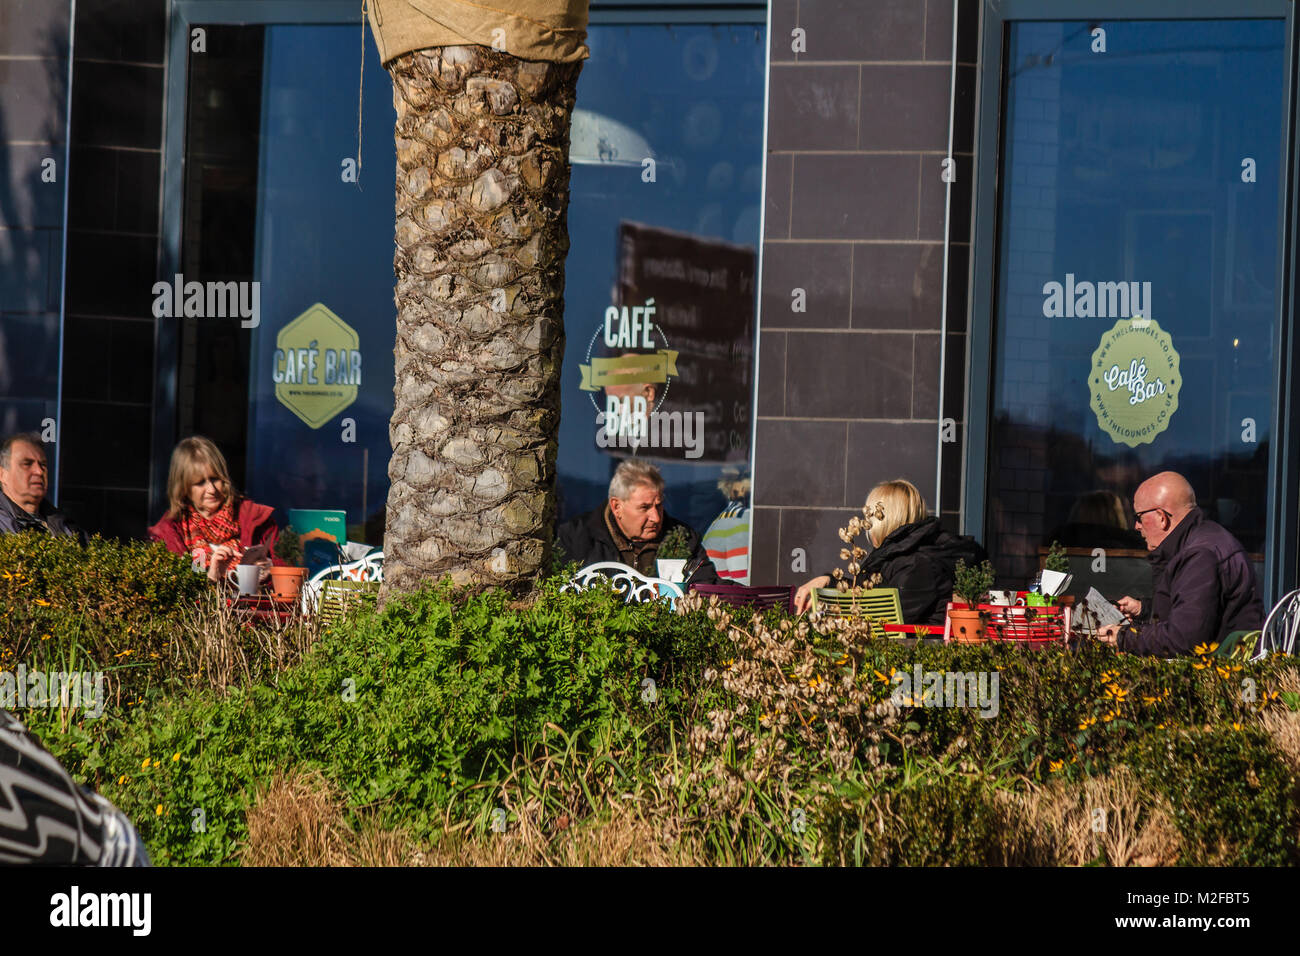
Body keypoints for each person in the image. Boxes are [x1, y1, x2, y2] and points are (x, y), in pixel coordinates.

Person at [1097, 471, 1264, 656]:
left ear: (1162, 517)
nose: (1136, 526)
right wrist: (1144, 609)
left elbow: (1184, 639)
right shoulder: (1204, 539)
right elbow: (1197, 609)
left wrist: (1122, 638)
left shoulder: (1199, 556)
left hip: (1218, 671)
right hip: (1225, 660)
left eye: (1139, 517)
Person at [793, 479, 989, 623]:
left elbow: (880, 618)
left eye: (869, 516)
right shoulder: (900, 556)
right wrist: (830, 581)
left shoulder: (919, 563)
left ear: (881, 520)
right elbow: (867, 590)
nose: (866, 524)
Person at [555, 459, 719, 584]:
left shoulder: (684, 538)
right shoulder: (575, 538)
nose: (655, 517)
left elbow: (707, 588)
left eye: (659, 505)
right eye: (644, 507)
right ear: (617, 506)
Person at [147, 436, 278, 585]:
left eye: (215, 479)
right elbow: (171, 595)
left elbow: (288, 581)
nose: (212, 490)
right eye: (200, 483)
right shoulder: (169, 533)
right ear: (183, 488)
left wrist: (271, 573)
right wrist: (211, 577)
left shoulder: (256, 519)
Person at [0, 432, 87, 543]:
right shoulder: (4, 524)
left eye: (43, 464)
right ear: (3, 474)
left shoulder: (67, 527)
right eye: (27, 464)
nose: (39, 471)